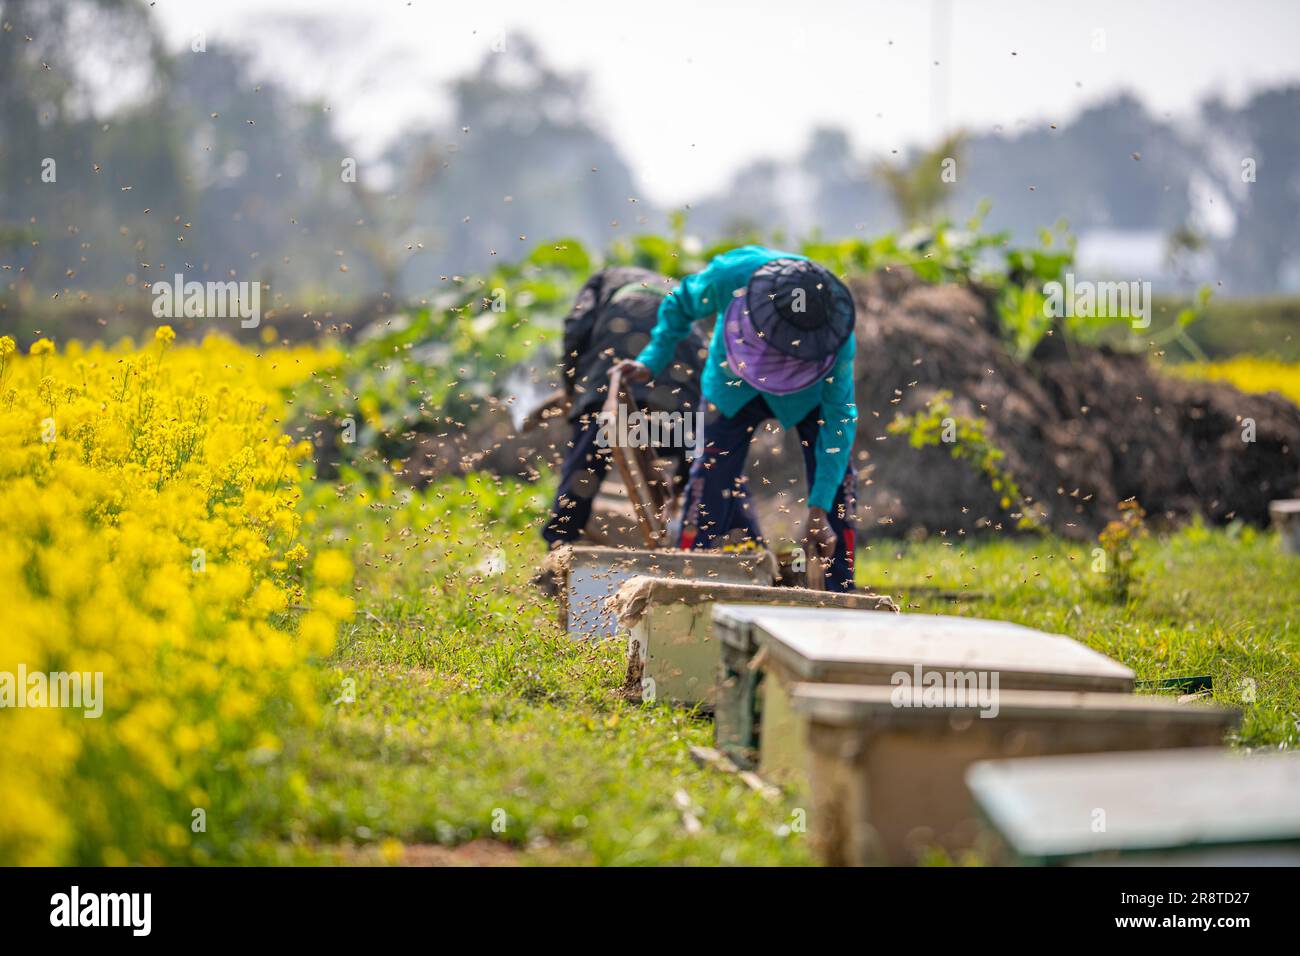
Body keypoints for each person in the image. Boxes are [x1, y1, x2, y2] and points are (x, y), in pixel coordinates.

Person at [611, 246, 858, 591]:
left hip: (809, 399)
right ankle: (689, 586)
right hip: (732, 388)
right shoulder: (731, 275)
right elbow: (679, 304)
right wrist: (652, 359)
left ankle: (839, 595)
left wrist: (817, 510)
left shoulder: (838, 339)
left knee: (836, 497)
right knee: (708, 483)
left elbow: (837, 428)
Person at [541, 266, 707, 547]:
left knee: (590, 448)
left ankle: (560, 539)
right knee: (695, 459)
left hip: (615, 364)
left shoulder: (602, 278)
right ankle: (701, 539)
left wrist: (574, 390)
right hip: (681, 378)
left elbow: (577, 327)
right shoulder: (678, 289)